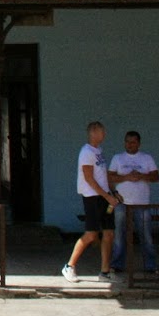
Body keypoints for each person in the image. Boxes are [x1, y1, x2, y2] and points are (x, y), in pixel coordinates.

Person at [61, 120, 118, 282]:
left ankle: (105, 272)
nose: (104, 134)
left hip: (105, 196)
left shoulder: (98, 151)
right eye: (102, 131)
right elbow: (89, 178)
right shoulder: (86, 152)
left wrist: (113, 192)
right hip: (92, 197)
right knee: (91, 234)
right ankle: (69, 266)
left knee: (109, 232)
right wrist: (106, 196)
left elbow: (103, 175)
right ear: (94, 132)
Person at [108, 129, 159, 276]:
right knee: (119, 235)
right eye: (127, 142)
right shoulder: (118, 158)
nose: (129, 145)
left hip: (142, 203)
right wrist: (126, 178)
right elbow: (110, 177)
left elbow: (156, 177)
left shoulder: (147, 158)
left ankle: (150, 265)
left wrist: (141, 176)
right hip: (122, 202)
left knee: (146, 235)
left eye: (133, 142)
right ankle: (117, 264)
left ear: (139, 143)